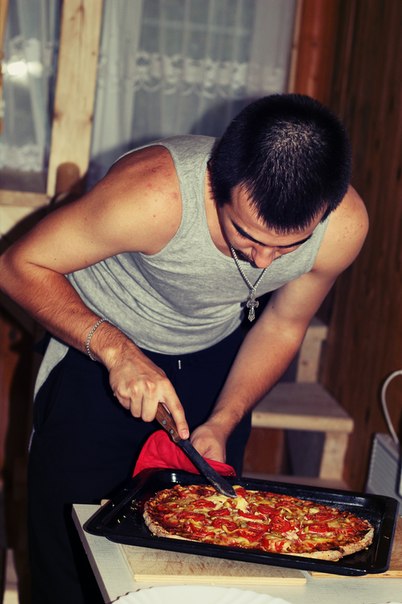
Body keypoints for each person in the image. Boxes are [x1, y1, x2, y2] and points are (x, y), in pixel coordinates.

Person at [0, 94, 368, 603]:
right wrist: (115, 350)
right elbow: (18, 266)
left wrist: (224, 419)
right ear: (216, 181)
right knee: (74, 557)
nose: (264, 262)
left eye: (287, 247)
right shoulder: (152, 196)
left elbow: (284, 324)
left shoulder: (342, 228)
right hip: (95, 345)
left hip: (212, 354)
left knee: (200, 556)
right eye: (247, 235)